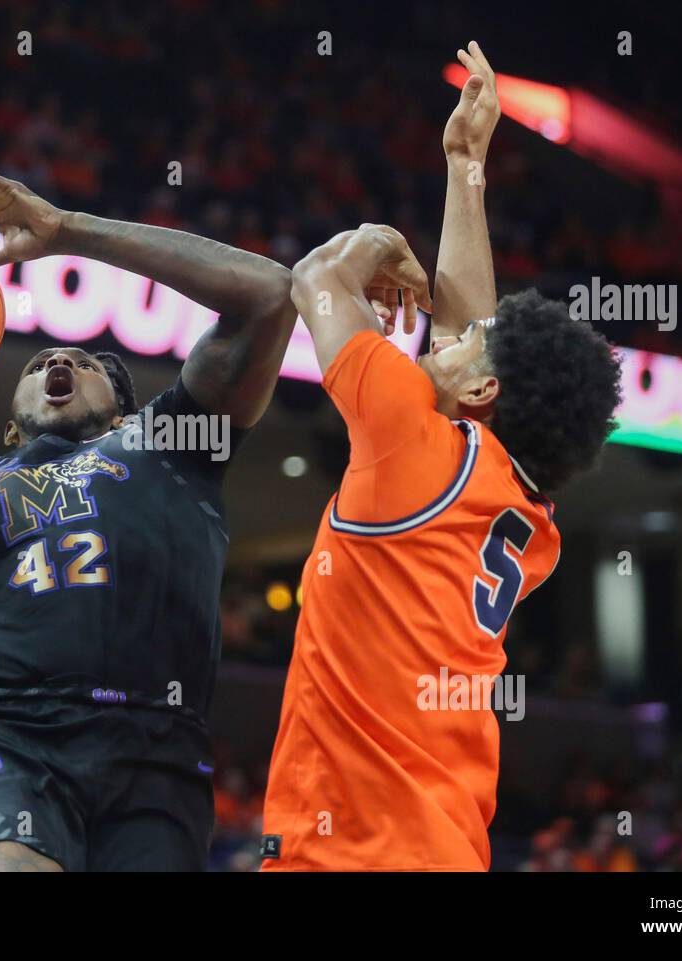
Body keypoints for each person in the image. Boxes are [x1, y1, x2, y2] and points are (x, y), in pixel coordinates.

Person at [0, 158, 297, 870]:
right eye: (37, 367)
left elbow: (269, 296)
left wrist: (67, 230)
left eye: (81, 362)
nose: (55, 362)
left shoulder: (173, 446)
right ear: (12, 427)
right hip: (3, 732)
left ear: (128, 412)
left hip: (158, 753)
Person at [260, 43, 623, 871]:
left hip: (348, 850)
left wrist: (378, 239)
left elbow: (316, 275)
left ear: (484, 392)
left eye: (474, 347)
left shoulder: (411, 439)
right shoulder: (526, 520)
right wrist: (465, 165)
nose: (449, 337)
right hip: (448, 847)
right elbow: (465, 337)